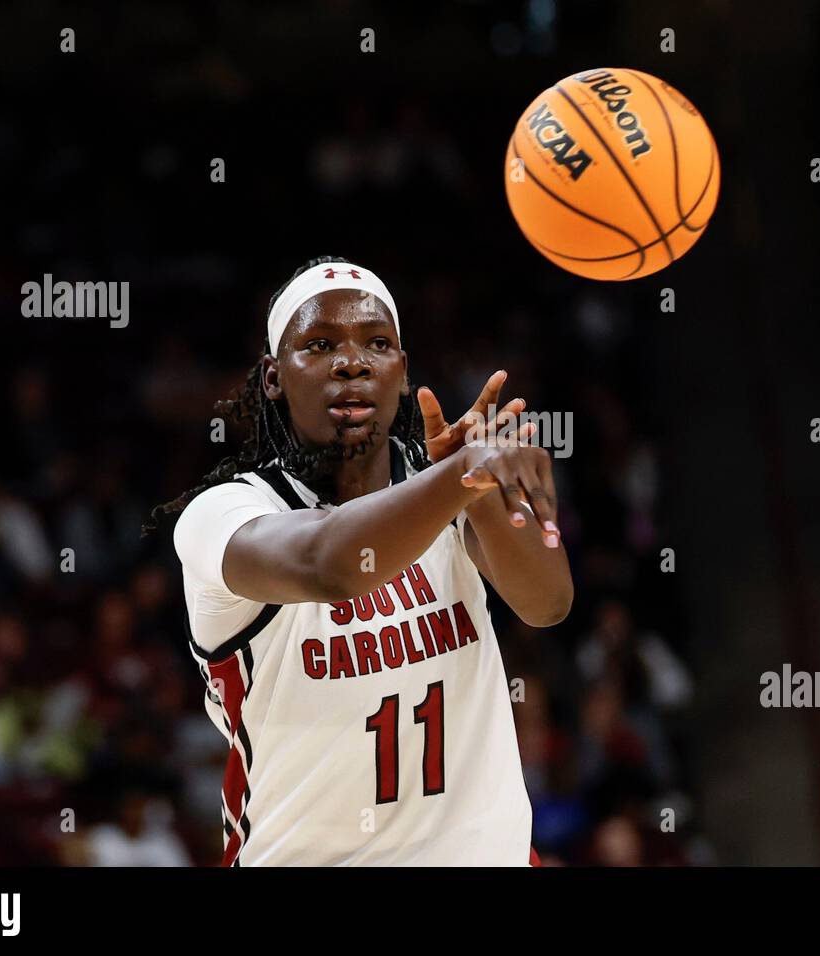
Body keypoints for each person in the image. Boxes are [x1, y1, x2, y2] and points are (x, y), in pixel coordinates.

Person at [145, 256, 573, 865]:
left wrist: (479, 495)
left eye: (377, 343)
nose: (351, 362)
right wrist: (463, 473)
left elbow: (548, 603)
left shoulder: (444, 487)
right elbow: (332, 564)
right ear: (273, 376)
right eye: (319, 345)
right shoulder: (225, 515)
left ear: (400, 373)